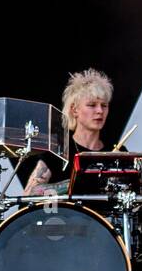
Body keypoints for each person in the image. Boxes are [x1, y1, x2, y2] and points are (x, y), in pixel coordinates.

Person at [18, 68, 113, 196]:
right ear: (74, 110)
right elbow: (30, 193)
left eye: (104, 105)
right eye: (92, 105)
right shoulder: (59, 150)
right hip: (66, 216)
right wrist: (74, 183)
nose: (100, 111)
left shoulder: (116, 151)